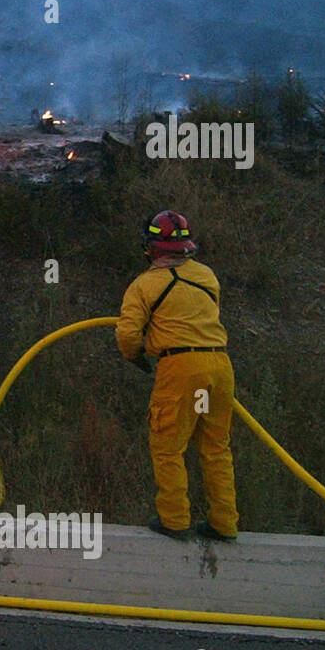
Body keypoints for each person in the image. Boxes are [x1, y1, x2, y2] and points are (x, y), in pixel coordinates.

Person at [116, 210, 238, 542]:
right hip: (219, 367)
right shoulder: (207, 276)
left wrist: (136, 356)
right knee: (216, 448)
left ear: (151, 248)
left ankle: (175, 520)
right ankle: (224, 523)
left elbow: (127, 336)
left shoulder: (144, 285)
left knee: (168, 446)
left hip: (180, 368)